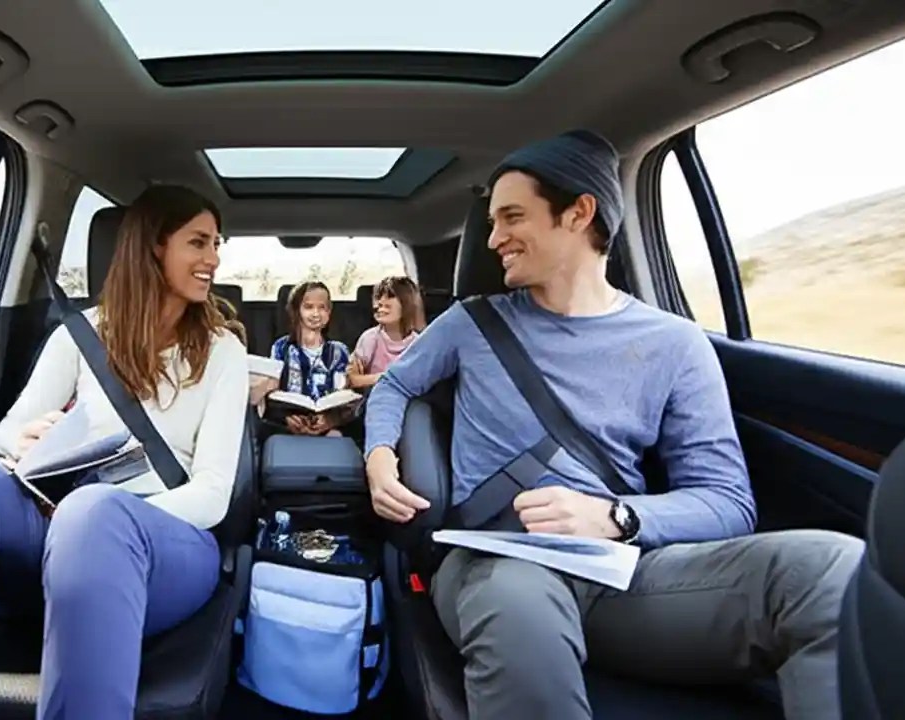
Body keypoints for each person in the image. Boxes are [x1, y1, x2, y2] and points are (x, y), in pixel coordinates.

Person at [362, 130, 864, 720]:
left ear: (579, 213)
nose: (493, 238)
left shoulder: (675, 344)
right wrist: (378, 457)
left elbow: (728, 502)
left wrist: (618, 517)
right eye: (492, 221)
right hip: (497, 561)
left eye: (512, 217)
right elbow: (395, 384)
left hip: (624, 577)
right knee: (519, 607)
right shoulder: (470, 323)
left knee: (831, 568)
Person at [0, 184, 249, 719]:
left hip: (169, 542)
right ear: (154, 245)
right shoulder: (80, 335)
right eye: (198, 242)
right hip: (63, 521)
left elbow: (214, 494)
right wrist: (27, 441)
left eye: (216, 244)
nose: (214, 259)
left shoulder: (224, 351)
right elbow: (6, 433)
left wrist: (99, 517)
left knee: (93, 514)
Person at [269, 280, 353, 436]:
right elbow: (272, 394)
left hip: (330, 428)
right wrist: (286, 418)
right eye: (308, 307)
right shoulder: (281, 348)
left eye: (322, 308)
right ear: (296, 310)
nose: (316, 314)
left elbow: (347, 397)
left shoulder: (339, 351)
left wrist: (331, 420)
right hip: (289, 426)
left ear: (329, 312)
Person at [347, 275, 424, 390]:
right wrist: (385, 378)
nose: (381, 301)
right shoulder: (370, 338)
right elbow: (352, 379)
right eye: (379, 297)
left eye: (390, 297)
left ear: (406, 304)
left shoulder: (418, 343)